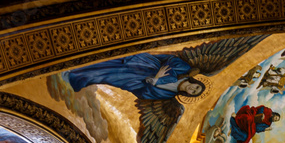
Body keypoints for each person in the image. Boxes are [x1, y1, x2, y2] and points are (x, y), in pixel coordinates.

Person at [66, 52, 206, 100]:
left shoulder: (169, 94)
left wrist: (155, 81)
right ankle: (77, 61)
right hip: (143, 65)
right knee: (111, 62)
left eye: (193, 92)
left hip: (135, 81)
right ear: (195, 83)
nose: (192, 89)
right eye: (196, 87)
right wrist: (168, 75)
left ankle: (76, 75)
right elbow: (171, 59)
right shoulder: (186, 70)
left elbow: (145, 95)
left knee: (107, 76)